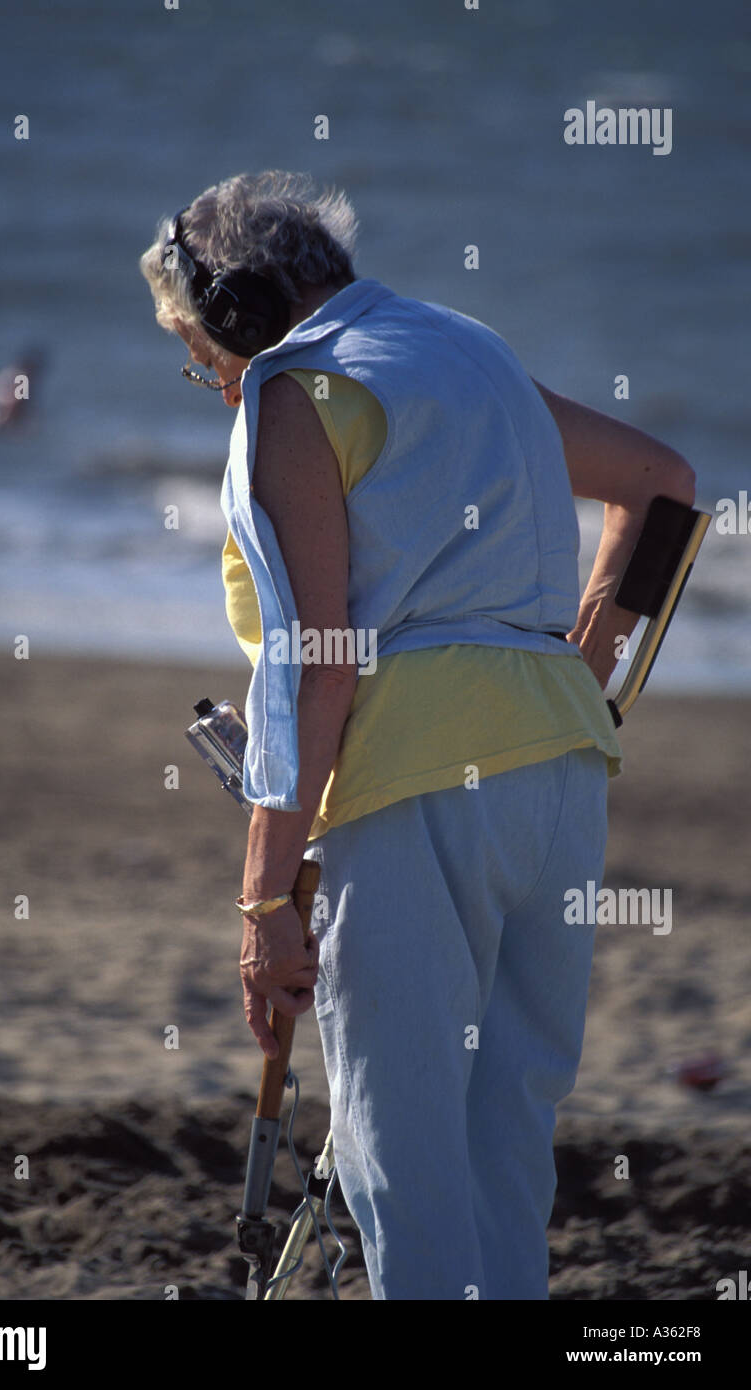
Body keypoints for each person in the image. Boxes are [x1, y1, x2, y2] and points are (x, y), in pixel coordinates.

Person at [140, 171, 695, 1300]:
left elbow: (317, 658)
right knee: (505, 1144)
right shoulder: (468, 348)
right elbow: (662, 484)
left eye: (204, 352)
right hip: (562, 772)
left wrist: (261, 901)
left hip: (413, 793)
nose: (215, 382)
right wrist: (578, 669)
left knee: (401, 1154)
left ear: (242, 311)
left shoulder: (294, 394)